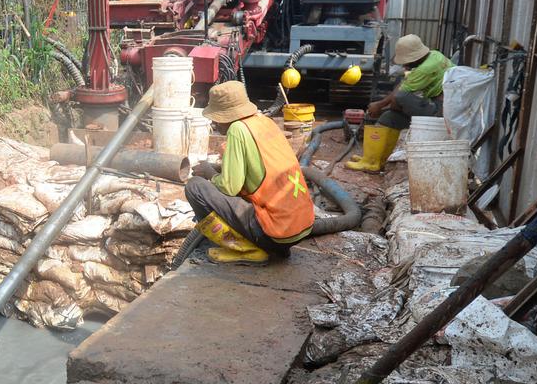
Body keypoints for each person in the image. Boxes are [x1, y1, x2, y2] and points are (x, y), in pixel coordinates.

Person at [185, 81, 315, 264]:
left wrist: (207, 172)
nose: (214, 122)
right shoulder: (264, 122)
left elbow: (230, 187)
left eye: (216, 116)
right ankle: (273, 249)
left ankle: (247, 250)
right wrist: (219, 170)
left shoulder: (237, 129)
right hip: (298, 228)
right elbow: (258, 171)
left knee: (195, 187)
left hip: (273, 232)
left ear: (226, 115)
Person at [346, 34, 455, 172]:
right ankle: (374, 160)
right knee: (389, 118)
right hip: (438, 106)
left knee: (401, 97)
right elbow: (405, 83)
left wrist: (379, 105)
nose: (405, 65)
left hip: (440, 113)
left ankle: (373, 160)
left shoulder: (425, 69)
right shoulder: (435, 55)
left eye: (407, 62)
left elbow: (400, 94)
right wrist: (390, 105)